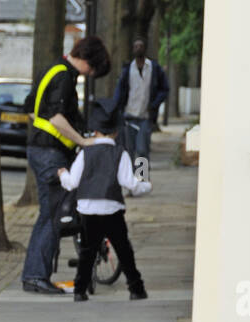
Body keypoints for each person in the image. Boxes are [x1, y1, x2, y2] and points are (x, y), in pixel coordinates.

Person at [21, 36, 111, 296]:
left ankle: (35, 274)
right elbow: (57, 117)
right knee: (53, 216)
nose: (90, 74)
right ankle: (36, 276)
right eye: (92, 69)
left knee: (50, 214)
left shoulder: (53, 70)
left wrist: (84, 131)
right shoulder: (63, 77)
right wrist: (82, 140)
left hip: (43, 150)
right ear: (87, 60)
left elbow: (32, 109)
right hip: (50, 153)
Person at [59, 96, 151, 301]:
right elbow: (130, 183)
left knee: (87, 253)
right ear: (116, 132)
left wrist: (62, 174)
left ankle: (80, 291)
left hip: (88, 210)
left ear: (94, 130)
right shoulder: (120, 153)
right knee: (124, 251)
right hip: (112, 210)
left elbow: (72, 182)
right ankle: (136, 289)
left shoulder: (85, 152)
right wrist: (146, 185)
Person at [113, 37, 169, 176]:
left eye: (141, 46)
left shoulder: (154, 68)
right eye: (136, 46)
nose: (138, 48)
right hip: (129, 115)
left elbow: (165, 89)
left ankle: (142, 179)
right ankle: (132, 181)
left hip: (145, 116)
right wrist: (116, 109)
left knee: (142, 149)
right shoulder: (127, 69)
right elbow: (120, 91)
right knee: (129, 150)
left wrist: (154, 104)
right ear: (133, 50)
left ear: (145, 49)